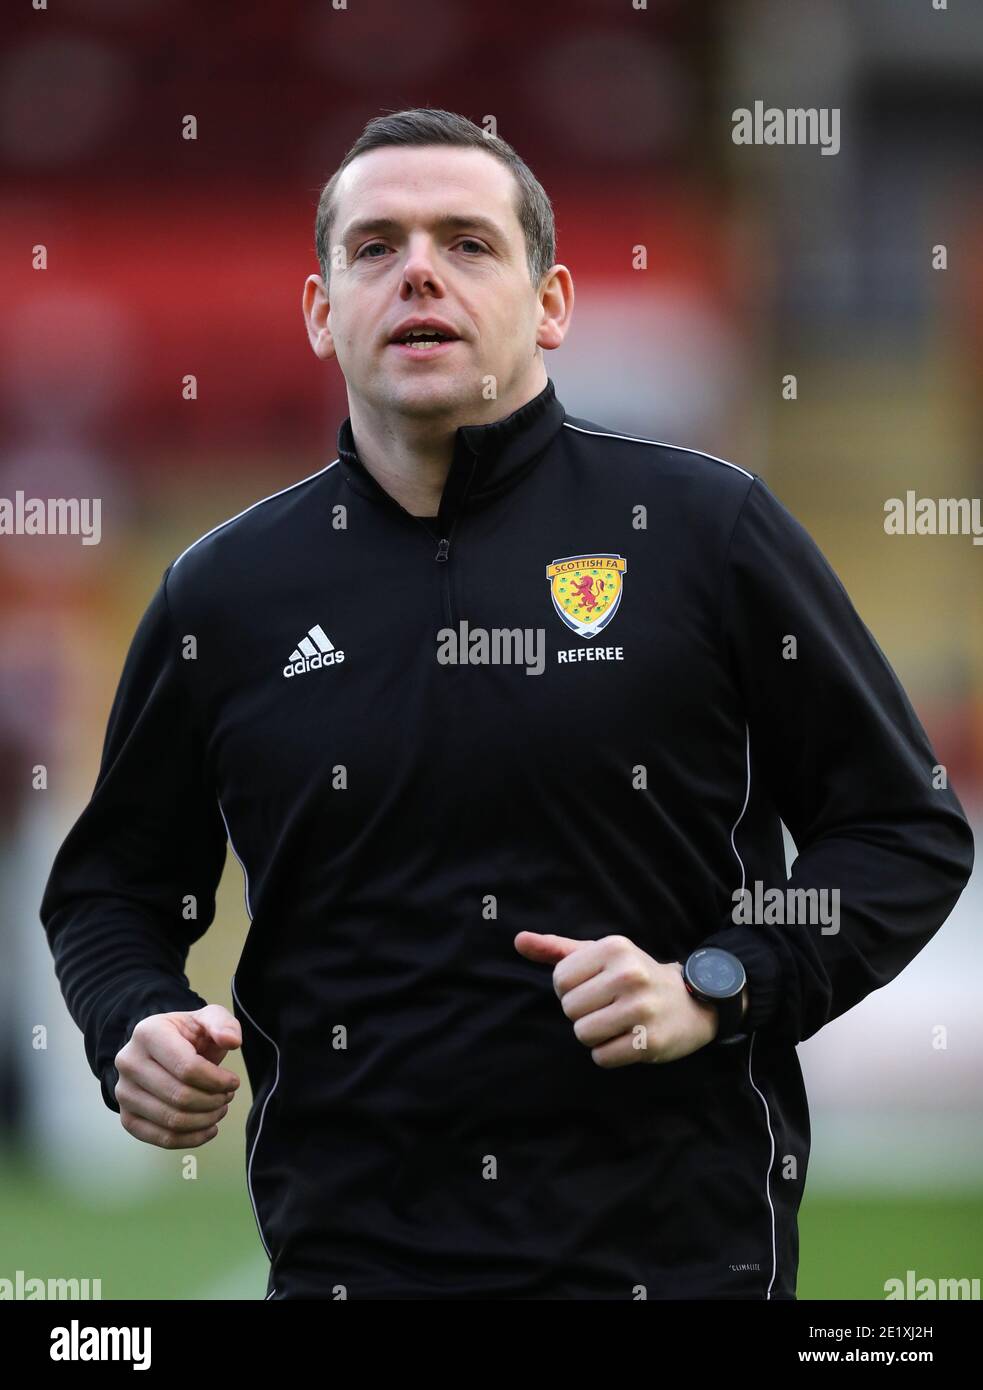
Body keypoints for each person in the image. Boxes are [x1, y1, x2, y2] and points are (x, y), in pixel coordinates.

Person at [40, 107, 975, 1301]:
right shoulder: (223, 593)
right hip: (346, 1264)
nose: (418, 267)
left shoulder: (705, 533)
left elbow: (901, 831)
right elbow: (111, 887)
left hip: (677, 1262)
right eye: (375, 246)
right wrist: (137, 1020)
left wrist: (717, 981)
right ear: (322, 312)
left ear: (551, 304)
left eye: (467, 243)